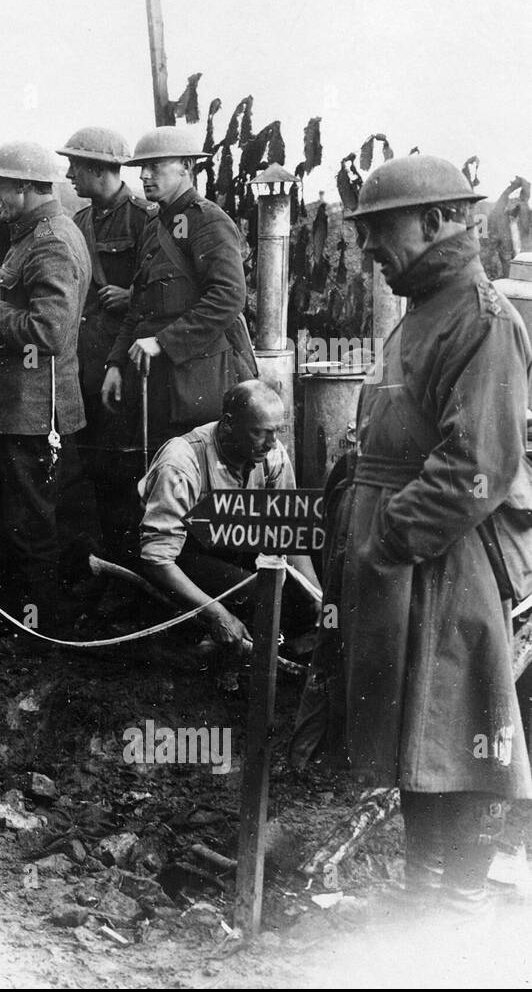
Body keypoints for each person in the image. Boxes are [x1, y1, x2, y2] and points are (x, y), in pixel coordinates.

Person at [337, 154, 532, 909]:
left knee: (461, 731)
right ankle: (424, 898)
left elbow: (475, 465)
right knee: (416, 739)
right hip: (407, 558)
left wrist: (389, 540)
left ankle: (455, 909)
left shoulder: (482, 320)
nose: (370, 249)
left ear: (440, 221)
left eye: (381, 229)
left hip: (446, 558)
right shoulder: (424, 310)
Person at [0, 140, 90, 633]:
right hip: (24, 406)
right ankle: (24, 616)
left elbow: (50, 332)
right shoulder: (37, 233)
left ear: (25, 186)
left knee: (31, 524)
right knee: (19, 516)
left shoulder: (52, 239)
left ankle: (38, 629)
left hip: (37, 410)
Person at [103, 126, 256, 458]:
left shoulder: (209, 222)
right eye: (142, 168)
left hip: (197, 389)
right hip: (155, 387)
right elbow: (138, 305)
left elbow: (228, 297)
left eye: (156, 166)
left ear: (186, 166)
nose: (144, 175)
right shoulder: (154, 227)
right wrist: (115, 364)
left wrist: (162, 342)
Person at [137, 380, 319, 649]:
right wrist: (218, 615)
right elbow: (157, 559)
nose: (271, 443)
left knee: (311, 584)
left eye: (276, 432)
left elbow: (287, 529)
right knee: (262, 596)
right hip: (183, 552)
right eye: (260, 432)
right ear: (228, 423)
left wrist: (316, 596)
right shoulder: (182, 461)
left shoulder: (271, 452)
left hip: (232, 542)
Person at [55, 127, 154, 570]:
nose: (69, 174)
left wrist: (134, 297)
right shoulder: (78, 224)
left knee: (126, 474)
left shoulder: (144, 217)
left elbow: (172, 288)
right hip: (87, 366)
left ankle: (139, 571)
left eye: (76, 165)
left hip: (127, 367)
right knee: (95, 472)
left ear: (98, 169)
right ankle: (112, 568)